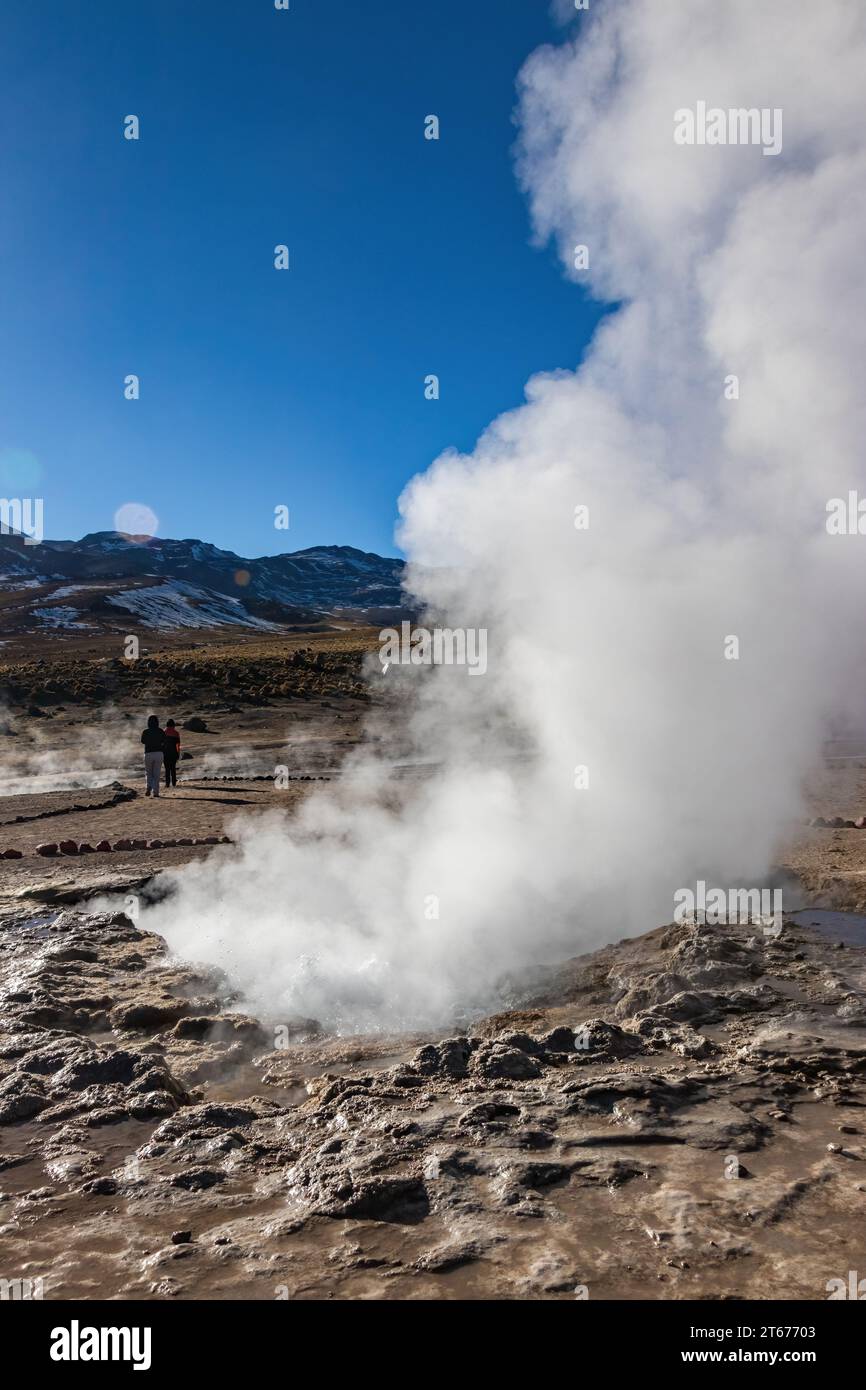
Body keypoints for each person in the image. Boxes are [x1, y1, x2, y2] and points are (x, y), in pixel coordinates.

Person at [140, 715, 165, 797]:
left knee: (148, 772)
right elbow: (164, 741)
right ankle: (156, 792)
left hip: (148, 753)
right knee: (156, 773)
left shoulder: (145, 731)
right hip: (159, 753)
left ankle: (149, 786)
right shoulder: (161, 731)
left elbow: (143, 741)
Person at [163, 718, 181, 789]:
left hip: (165, 754)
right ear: (173, 725)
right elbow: (178, 745)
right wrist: (178, 753)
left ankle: (167, 784)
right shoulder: (176, 733)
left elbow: (162, 744)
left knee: (167, 769)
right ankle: (174, 783)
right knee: (173, 769)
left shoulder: (163, 732)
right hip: (174, 753)